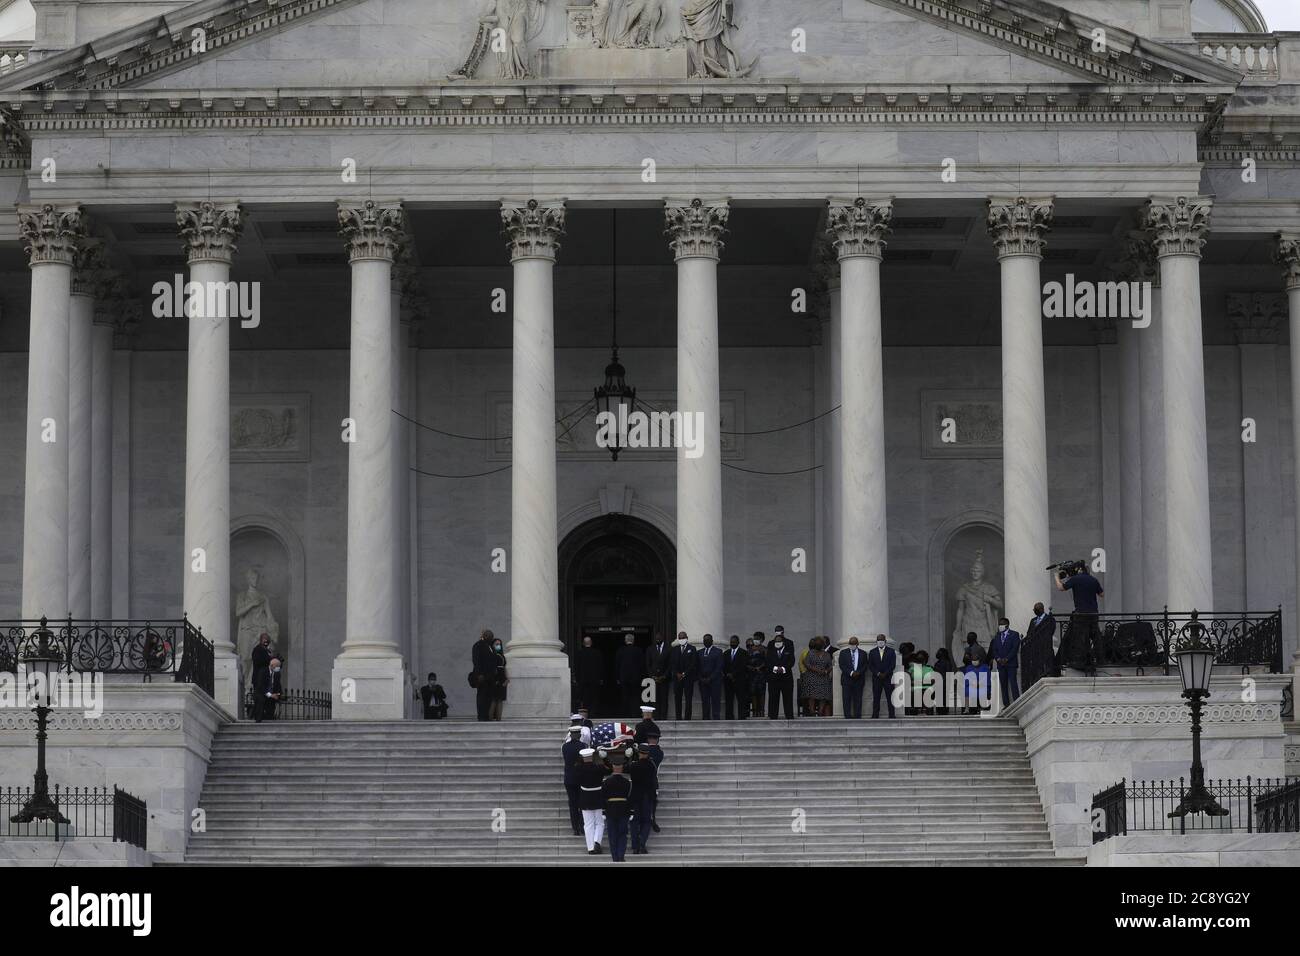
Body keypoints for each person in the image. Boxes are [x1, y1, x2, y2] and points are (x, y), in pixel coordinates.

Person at [1055, 566, 1104, 668]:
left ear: (1080, 570)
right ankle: (1100, 659)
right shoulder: (1093, 580)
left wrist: (1056, 577)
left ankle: (1081, 661)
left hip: (1081, 613)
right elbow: (1101, 594)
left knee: (1080, 637)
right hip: (1093, 613)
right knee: (1096, 636)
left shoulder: (1076, 579)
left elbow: (1061, 588)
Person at [601, 753, 634, 862]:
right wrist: (631, 812)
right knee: (622, 834)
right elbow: (630, 798)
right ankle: (621, 855)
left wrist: (603, 811)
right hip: (623, 810)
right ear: (621, 768)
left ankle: (615, 856)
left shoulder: (606, 782)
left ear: (613, 767)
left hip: (610, 809)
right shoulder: (627, 783)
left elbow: (603, 797)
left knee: (612, 834)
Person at [576, 748, 608, 855]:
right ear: (592, 757)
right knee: (599, 822)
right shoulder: (599, 768)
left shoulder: (578, 768)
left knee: (588, 824)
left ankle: (590, 848)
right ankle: (596, 842)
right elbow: (609, 770)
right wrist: (604, 758)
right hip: (597, 796)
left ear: (582, 758)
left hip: (585, 797)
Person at [628, 744, 658, 855]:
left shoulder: (634, 766)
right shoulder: (651, 766)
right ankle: (642, 844)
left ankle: (635, 846)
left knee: (635, 821)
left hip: (636, 796)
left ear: (639, 753)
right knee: (646, 821)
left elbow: (627, 769)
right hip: (647, 796)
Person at [989, 617, 1022, 704]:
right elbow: (994, 649)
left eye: (1001, 624)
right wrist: (998, 659)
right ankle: (1006, 704)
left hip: (1011, 664)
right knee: (1003, 685)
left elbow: (1015, 648)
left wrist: (1007, 659)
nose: (1000, 626)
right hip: (1000, 664)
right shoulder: (997, 636)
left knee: (1013, 683)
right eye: (999, 624)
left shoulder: (1014, 634)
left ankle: (1017, 703)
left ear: (1007, 626)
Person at [766, 628, 795, 719]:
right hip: (773, 678)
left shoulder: (788, 650)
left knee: (787, 697)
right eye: (776, 641)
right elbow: (768, 662)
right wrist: (775, 668)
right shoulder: (770, 651)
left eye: (779, 641)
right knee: (773, 697)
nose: (777, 642)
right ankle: (773, 715)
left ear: (783, 642)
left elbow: (791, 661)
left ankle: (789, 715)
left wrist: (783, 668)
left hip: (786, 678)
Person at [669, 631, 698, 720]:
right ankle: (678, 717)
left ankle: (687, 717)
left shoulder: (692, 648)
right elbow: (672, 663)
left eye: (683, 637)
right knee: (677, 698)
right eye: (680, 638)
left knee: (688, 699)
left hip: (688, 678)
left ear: (687, 637)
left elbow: (693, 663)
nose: (681, 639)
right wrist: (677, 673)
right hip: (677, 679)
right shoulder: (675, 649)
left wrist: (684, 673)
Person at [1024, 602, 1059, 676]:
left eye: (1036, 609)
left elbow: (1051, 631)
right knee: (1036, 665)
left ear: (1041, 609)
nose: (1034, 611)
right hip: (1035, 647)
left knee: (1047, 663)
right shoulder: (1033, 620)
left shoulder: (1049, 619)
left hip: (1045, 646)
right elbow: (1029, 632)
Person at [562, 726, 585, 836]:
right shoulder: (582, 746)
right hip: (580, 778)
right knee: (581, 804)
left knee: (572, 804)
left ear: (570, 735)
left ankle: (575, 828)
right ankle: (582, 826)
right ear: (579, 735)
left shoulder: (565, 747)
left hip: (569, 779)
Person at [838, 636, 868, 719]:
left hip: (859, 679)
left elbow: (865, 666)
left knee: (858, 699)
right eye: (850, 643)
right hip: (847, 680)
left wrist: (858, 673)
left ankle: (857, 715)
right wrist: (851, 673)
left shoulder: (863, 653)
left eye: (854, 643)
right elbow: (842, 665)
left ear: (857, 644)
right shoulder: (843, 653)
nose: (852, 645)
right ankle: (847, 716)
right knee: (846, 699)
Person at [867, 634, 896, 719]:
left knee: (890, 697)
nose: (880, 642)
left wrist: (885, 673)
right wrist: (878, 673)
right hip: (877, 678)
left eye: (882, 640)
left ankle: (891, 714)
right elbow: (870, 665)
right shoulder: (872, 652)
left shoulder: (891, 651)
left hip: (888, 678)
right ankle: (875, 714)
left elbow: (892, 665)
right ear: (876, 641)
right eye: (878, 640)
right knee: (876, 697)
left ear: (885, 641)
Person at [615, 632, 644, 716]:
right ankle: (634, 713)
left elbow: (617, 665)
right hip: (636, 678)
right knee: (635, 697)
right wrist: (642, 677)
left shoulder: (620, 650)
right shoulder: (638, 650)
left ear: (625, 640)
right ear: (633, 641)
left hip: (623, 678)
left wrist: (617, 678)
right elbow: (642, 665)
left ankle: (625, 714)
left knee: (624, 696)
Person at [471, 628, 497, 721]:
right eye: (490, 636)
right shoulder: (478, 645)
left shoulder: (491, 646)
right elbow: (476, 661)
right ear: (485, 636)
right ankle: (481, 716)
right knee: (482, 696)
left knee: (489, 697)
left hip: (490, 677)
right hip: (482, 676)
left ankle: (486, 715)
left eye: (492, 637)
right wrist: (479, 674)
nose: (492, 638)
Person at [961, 632, 990, 714]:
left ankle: (977, 707)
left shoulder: (975, 649)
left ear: (973, 639)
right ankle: (971, 708)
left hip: (978, 672)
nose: (967, 640)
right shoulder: (973, 648)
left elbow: (983, 660)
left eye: (969, 638)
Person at [804, 637, 833, 717]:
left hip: (824, 677)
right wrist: (817, 670)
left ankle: (820, 711)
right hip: (812, 677)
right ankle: (812, 711)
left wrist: (826, 671)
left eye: (821, 643)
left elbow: (830, 665)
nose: (819, 645)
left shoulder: (827, 654)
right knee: (812, 695)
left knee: (823, 696)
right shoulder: (810, 653)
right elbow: (806, 664)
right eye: (817, 643)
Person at [575, 635, 604, 713]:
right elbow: (600, 666)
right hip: (595, 679)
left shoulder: (579, 653)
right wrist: (601, 678)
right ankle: (594, 713)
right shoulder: (597, 653)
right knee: (594, 698)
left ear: (583, 643)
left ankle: (585, 714)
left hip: (583, 679)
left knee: (584, 698)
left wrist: (577, 679)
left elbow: (577, 667)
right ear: (591, 643)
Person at [723, 634, 750, 719]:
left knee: (741, 700)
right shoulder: (726, 653)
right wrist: (727, 673)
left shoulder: (744, 653)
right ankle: (729, 717)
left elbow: (743, 665)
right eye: (731, 642)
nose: (732, 643)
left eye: (734, 642)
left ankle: (741, 717)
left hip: (739, 680)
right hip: (728, 681)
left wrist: (733, 674)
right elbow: (723, 665)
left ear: (738, 642)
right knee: (729, 700)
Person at [697, 633, 723, 719]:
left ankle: (716, 718)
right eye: (704, 640)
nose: (706, 641)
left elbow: (719, 667)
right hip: (703, 681)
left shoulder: (718, 651)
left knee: (715, 700)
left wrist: (710, 678)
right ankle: (705, 718)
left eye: (708, 640)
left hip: (714, 681)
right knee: (705, 701)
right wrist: (701, 678)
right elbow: (697, 667)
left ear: (712, 641)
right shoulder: (699, 652)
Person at [646, 632, 672, 718]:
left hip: (664, 678)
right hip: (653, 679)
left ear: (662, 638)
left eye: (659, 638)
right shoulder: (650, 649)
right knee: (654, 699)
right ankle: (656, 716)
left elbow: (670, 664)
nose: (657, 640)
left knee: (664, 699)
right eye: (656, 638)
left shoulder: (669, 648)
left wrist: (664, 676)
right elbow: (648, 664)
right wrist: (652, 676)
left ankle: (663, 716)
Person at [248, 633, 272, 720]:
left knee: (265, 698)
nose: (266, 641)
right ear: (261, 640)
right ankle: (257, 717)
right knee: (259, 698)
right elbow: (257, 661)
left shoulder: (267, 650)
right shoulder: (257, 649)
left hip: (265, 679)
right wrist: (269, 659)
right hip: (258, 679)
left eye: (267, 640)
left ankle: (263, 715)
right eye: (265, 639)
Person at [645, 733, 665, 832]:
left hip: (642, 781)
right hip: (653, 781)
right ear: (657, 740)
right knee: (653, 801)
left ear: (648, 739)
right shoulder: (660, 752)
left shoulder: (643, 750)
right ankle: (652, 818)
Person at [905, 649, 934, 715]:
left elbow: (932, 681)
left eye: (921, 658)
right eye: (918, 658)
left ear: (925, 659)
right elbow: (908, 680)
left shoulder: (929, 669)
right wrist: (924, 681)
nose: (919, 659)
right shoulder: (912, 668)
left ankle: (927, 711)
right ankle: (915, 710)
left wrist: (916, 682)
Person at [254, 657, 283, 722]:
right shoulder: (262, 671)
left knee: (273, 701)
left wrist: (278, 694)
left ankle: (270, 717)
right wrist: (270, 695)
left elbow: (278, 686)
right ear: (272, 665)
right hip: (262, 693)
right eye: (277, 666)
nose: (279, 668)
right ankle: (259, 719)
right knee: (260, 698)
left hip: (272, 694)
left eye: (279, 666)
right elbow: (260, 686)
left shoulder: (277, 674)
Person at [747, 633, 767, 717]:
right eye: (754, 638)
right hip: (752, 674)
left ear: (762, 640)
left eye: (757, 638)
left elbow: (767, 661)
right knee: (753, 693)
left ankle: (761, 711)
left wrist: (760, 667)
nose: (755, 640)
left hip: (761, 674)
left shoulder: (765, 649)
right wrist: (752, 668)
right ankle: (755, 711)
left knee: (761, 693)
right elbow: (746, 661)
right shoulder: (750, 650)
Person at [489, 635, 508, 720]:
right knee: (494, 699)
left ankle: (498, 718)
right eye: (496, 644)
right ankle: (490, 717)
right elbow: (493, 668)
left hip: (502, 678)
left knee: (500, 699)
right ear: (492, 645)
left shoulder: (502, 656)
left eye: (499, 644)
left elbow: (504, 668)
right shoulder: (492, 655)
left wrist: (506, 678)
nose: (498, 646)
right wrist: (495, 680)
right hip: (496, 678)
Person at [932, 648, 956, 714]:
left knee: (944, 701)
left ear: (943, 654)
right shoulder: (937, 663)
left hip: (944, 685)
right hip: (938, 684)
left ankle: (944, 712)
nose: (937, 653)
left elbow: (948, 674)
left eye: (938, 652)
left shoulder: (947, 663)